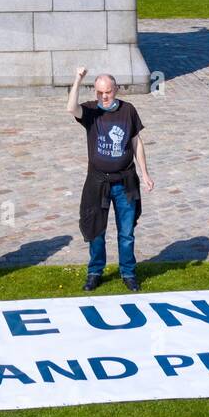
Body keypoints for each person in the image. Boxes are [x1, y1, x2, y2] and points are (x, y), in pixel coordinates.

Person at [67, 67, 154, 292]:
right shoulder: (91, 111)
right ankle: (95, 271)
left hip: (125, 181)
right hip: (97, 183)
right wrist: (78, 79)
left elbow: (136, 142)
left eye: (108, 92)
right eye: (99, 93)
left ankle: (128, 272)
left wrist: (145, 173)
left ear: (115, 89)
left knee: (126, 232)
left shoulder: (128, 111)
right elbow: (71, 108)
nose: (104, 97)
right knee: (96, 231)